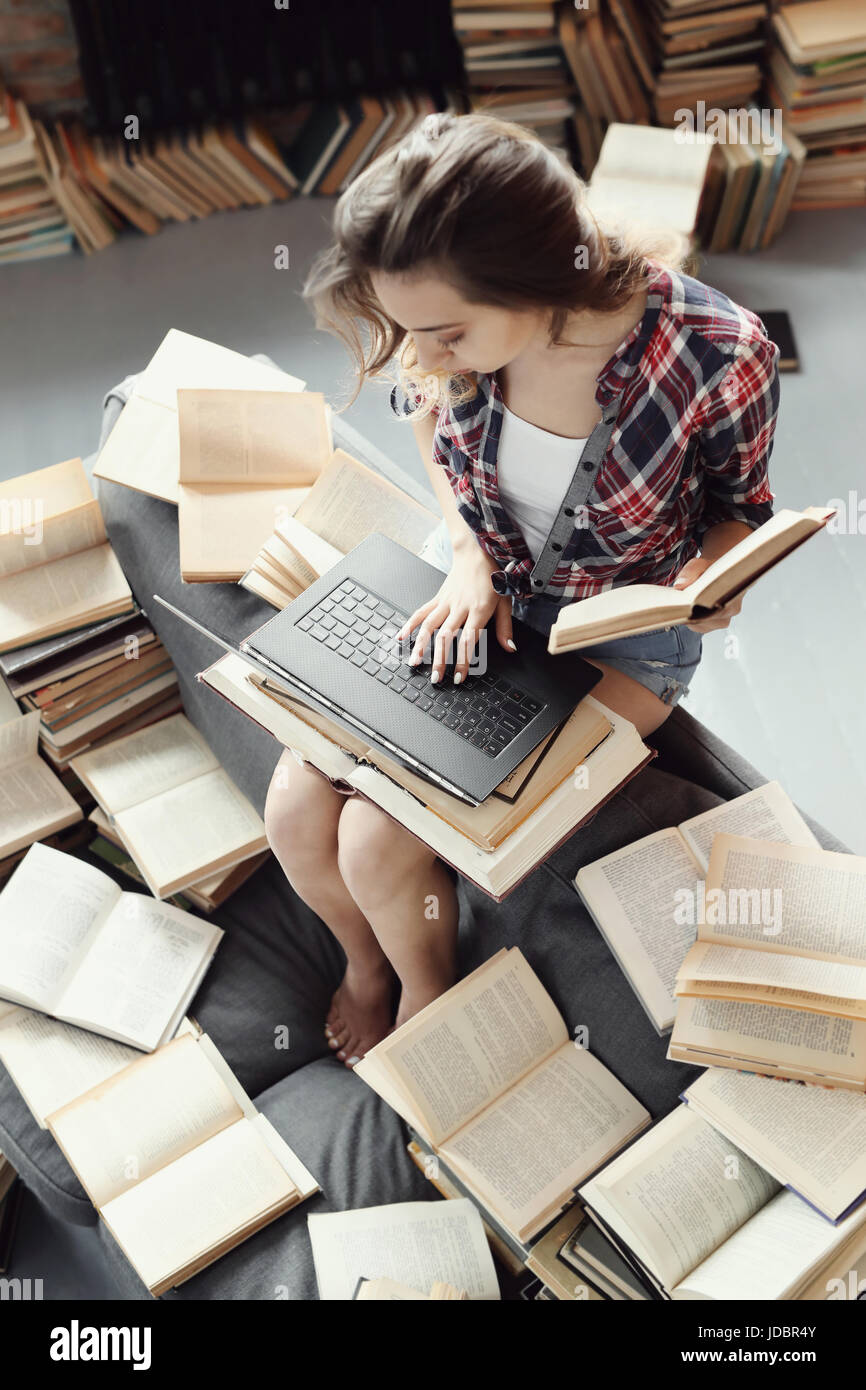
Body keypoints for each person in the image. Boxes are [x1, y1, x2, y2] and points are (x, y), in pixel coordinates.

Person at [264, 110, 779, 1067]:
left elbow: (741, 508)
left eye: (447, 331)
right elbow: (427, 418)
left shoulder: (718, 350)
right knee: (296, 808)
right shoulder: (445, 339)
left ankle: (425, 983)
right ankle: (365, 962)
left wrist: (711, 582)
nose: (426, 353)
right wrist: (467, 555)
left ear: (537, 280)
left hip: (621, 638)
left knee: (378, 842)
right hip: (480, 589)